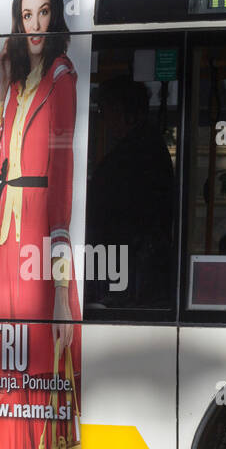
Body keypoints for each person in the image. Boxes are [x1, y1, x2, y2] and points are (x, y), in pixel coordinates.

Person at [0, 0, 81, 449]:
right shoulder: (17, 87)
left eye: (44, 13)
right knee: (6, 370)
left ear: (57, 16)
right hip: (4, 248)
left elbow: (61, 185)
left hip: (38, 247)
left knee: (37, 375)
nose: (35, 24)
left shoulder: (64, 79)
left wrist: (63, 286)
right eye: (26, 15)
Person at [86, 76, 174, 307]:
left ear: (122, 111)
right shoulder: (148, 145)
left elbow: (110, 205)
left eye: (105, 111)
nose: (104, 120)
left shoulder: (135, 154)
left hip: (129, 264)